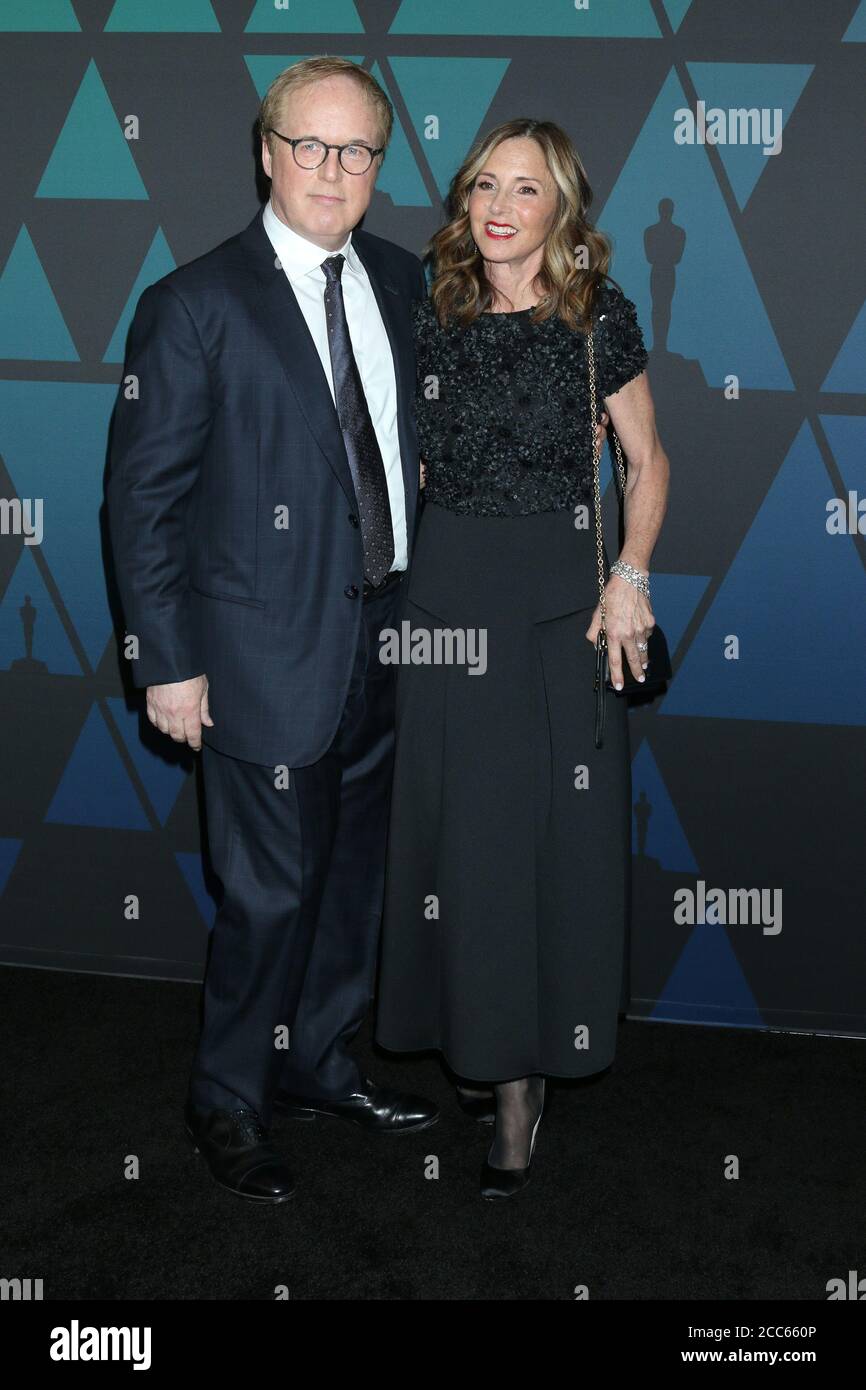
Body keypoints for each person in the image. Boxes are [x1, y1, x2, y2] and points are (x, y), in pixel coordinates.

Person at [106, 57, 445, 1203]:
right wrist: (168, 662)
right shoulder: (193, 304)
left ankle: (323, 1063)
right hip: (254, 658)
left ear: (378, 165)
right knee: (265, 897)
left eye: (356, 151)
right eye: (310, 145)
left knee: (352, 883)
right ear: (267, 150)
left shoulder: (403, 282)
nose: (331, 171)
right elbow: (140, 501)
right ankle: (228, 1097)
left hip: (386, 639)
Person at [374, 119, 670, 1199]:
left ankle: (518, 1089)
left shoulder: (597, 317)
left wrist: (628, 575)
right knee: (463, 848)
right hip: (446, 605)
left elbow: (646, 460)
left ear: (562, 212)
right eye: (485, 184)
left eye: (527, 189)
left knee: (543, 848)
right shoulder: (429, 307)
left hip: (559, 612)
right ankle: (477, 1042)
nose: (500, 206)